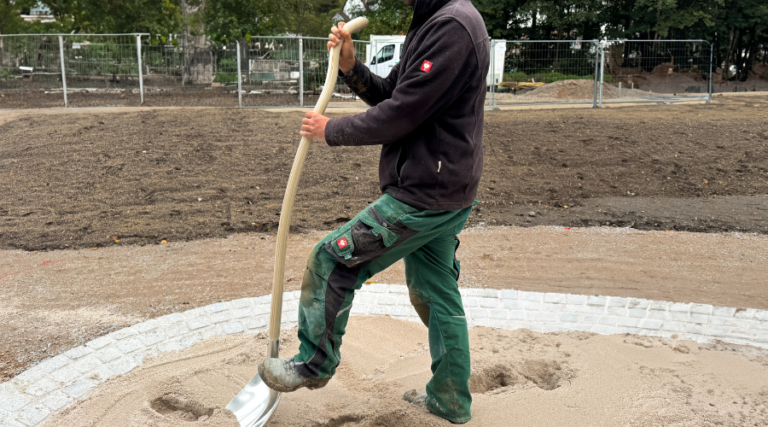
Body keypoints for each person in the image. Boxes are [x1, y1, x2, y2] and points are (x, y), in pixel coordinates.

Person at [259, 0, 489, 423]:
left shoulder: (453, 27)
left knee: (333, 259)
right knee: (436, 293)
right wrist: (351, 67)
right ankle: (451, 399)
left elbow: (403, 113)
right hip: (443, 188)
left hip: (424, 194)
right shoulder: (435, 21)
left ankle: (314, 364)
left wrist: (333, 131)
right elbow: (392, 93)